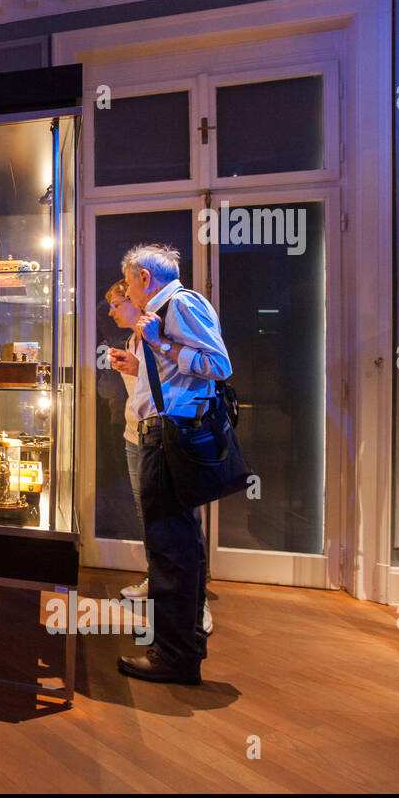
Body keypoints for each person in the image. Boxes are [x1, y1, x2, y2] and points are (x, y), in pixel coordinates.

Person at [116, 245, 231, 684]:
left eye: (129, 282)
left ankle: (175, 655)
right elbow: (176, 370)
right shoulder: (167, 307)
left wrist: (160, 343)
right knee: (176, 544)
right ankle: (178, 648)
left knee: (171, 548)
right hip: (162, 434)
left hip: (170, 437)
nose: (127, 292)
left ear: (145, 278)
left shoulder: (180, 303)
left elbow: (218, 364)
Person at [107, 279, 212, 635]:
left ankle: (195, 606)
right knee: (150, 518)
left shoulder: (162, 333)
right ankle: (160, 584)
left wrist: (146, 361)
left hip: (166, 437)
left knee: (179, 522)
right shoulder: (133, 340)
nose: (112, 310)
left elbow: (197, 376)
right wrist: (134, 368)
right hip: (136, 434)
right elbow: (145, 391)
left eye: (117, 302)